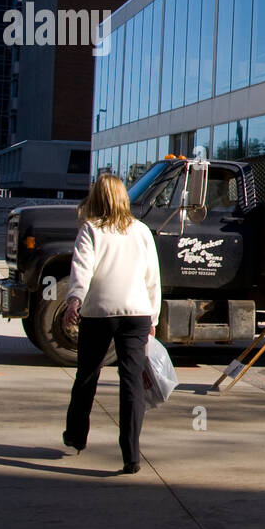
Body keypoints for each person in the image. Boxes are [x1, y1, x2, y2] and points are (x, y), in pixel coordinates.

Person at [61, 174, 161, 475]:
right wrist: (153, 317)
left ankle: (76, 436)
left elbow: (82, 268)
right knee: (131, 383)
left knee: (87, 375)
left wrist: (74, 301)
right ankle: (131, 454)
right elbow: (152, 278)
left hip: (98, 313)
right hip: (136, 314)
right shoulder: (142, 231)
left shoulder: (91, 229)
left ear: (97, 199)